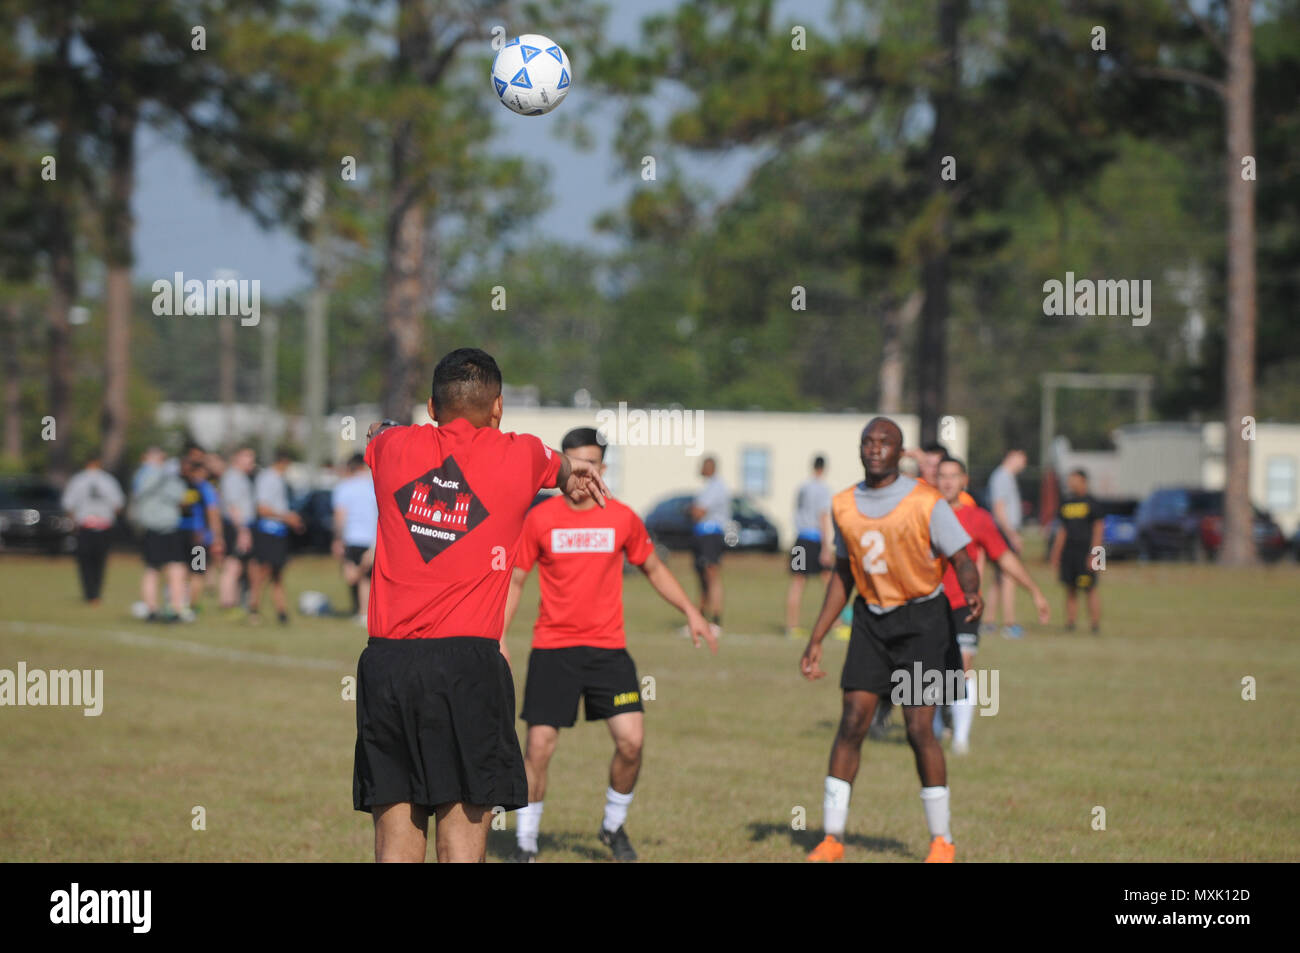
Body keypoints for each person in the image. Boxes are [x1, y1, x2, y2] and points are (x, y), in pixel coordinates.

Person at [352, 348, 610, 863]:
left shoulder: (390, 448)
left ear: (430, 406)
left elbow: (375, 432)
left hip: (387, 664)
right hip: (467, 664)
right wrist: (574, 473)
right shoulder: (520, 454)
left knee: (397, 825)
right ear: (498, 408)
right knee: (463, 828)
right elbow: (561, 468)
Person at [503, 427, 718, 863]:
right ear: (563, 466)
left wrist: (691, 611)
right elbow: (517, 578)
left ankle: (612, 826)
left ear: (602, 467)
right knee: (539, 747)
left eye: (593, 463)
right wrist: (498, 637)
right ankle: (526, 841)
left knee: (631, 742)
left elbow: (654, 568)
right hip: (553, 649)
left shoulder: (621, 516)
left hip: (608, 651)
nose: (584, 473)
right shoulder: (539, 519)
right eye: (575, 462)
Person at [800, 417, 981, 864]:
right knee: (852, 722)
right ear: (860, 449)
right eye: (869, 441)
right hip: (871, 621)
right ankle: (833, 839)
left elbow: (962, 556)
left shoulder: (926, 501)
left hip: (922, 622)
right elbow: (843, 576)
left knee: (919, 728)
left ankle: (941, 841)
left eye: (886, 442)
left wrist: (972, 590)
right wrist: (817, 636)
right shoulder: (844, 505)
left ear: (900, 452)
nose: (875, 447)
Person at [934, 456, 1050, 753]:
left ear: (964, 481)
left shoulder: (979, 519)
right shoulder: (923, 515)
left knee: (963, 667)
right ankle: (936, 725)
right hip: (928, 604)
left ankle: (960, 738)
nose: (947, 481)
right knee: (929, 672)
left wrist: (1033, 590)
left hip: (965, 605)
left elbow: (1004, 556)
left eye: (953, 475)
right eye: (942, 475)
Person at [130, 447, 190, 622]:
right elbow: (182, 498)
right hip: (168, 527)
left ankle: (152, 609)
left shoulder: (141, 475)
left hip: (150, 527)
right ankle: (176, 609)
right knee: (175, 568)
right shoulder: (168, 474)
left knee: (152, 569)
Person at [247, 448, 303, 625]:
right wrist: (287, 517)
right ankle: (253, 609)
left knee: (278, 574)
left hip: (279, 532)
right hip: (268, 531)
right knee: (263, 573)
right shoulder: (268, 479)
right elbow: (262, 509)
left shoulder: (279, 479)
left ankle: (281, 613)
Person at [60, 453, 125, 604]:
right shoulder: (109, 480)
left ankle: (89, 593)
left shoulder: (78, 479)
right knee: (100, 561)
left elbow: (69, 504)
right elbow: (118, 505)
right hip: (104, 525)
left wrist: (73, 522)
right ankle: (96, 593)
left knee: (85, 562)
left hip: (85, 526)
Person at [785, 455, 835, 640]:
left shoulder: (802, 488)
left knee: (797, 583)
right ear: (824, 468)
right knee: (829, 582)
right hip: (814, 539)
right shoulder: (823, 489)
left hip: (801, 539)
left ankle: (791, 626)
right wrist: (826, 547)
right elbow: (823, 517)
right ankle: (835, 624)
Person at [1050, 468, 1104, 634]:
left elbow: (1099, 529)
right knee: (1070, 587)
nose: (1070, 483)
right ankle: (1070, 623)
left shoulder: (1092, 503)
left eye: (1074, 480)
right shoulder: (1066, 503)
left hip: (1087, 552)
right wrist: (1056, 552)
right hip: (1069, 553)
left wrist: (1096, 555)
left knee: (1090, 588)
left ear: (1083, 481)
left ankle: (1095, 625)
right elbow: (1062, 530)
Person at [985, 448, 1028, 639]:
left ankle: (988, 621)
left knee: (998, 580)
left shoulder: (1004, 477)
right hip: (1004, 532)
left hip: (1004, 532)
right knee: (1010, 576)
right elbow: (999, 508)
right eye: (1023, 460)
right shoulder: (1002, 477)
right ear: (1013, 456)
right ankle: (1009, 624)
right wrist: (1012, 535)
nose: (1024, 465)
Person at [332, 453, 378, 624]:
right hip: (372, 538)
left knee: (353, 576)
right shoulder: (376, 485)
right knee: (366, 578)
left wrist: (337, 538)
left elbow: (340, 516)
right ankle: (363, 612)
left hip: (352, 537)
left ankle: (363, 612)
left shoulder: (344, 487)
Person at [179, 445, 224, 611]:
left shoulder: (183, 485)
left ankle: (178, 603)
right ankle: (190, 607)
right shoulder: (206, 488)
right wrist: (217, 537)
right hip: (199, 536)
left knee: (182, 570)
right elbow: (213, 513)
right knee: (197, 573)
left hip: (180, 533)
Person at [689, 456, 728, 633]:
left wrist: (690, 510)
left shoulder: (715, 487)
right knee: (702, 578)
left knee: (712, 575)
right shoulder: (707, 487)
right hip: (702, 535)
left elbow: (698, 511)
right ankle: (700, 617)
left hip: (711, 535)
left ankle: (716, 620)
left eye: (703, 465)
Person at [218, 447, 256, 617]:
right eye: (248, 458)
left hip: (242, 526)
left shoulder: (242, 477)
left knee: (240, 566)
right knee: (233, 565)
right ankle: (227, 603)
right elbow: (233, 507)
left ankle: (235, 601)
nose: (251, 462)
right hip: (236, 527)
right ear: (237, 458)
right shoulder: (233, 478)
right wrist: (242, 530)